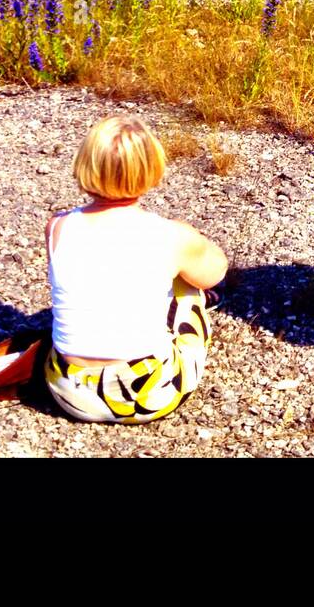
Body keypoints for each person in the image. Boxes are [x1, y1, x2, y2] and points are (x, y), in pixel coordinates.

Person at [44, 116, 228, 424]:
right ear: (152, 169)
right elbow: (215, 273)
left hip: (67, 390)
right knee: (189, 285)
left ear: (85, 163)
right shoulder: (170, 234)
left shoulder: (57, 227)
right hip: (148, 394)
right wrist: (193, 246)